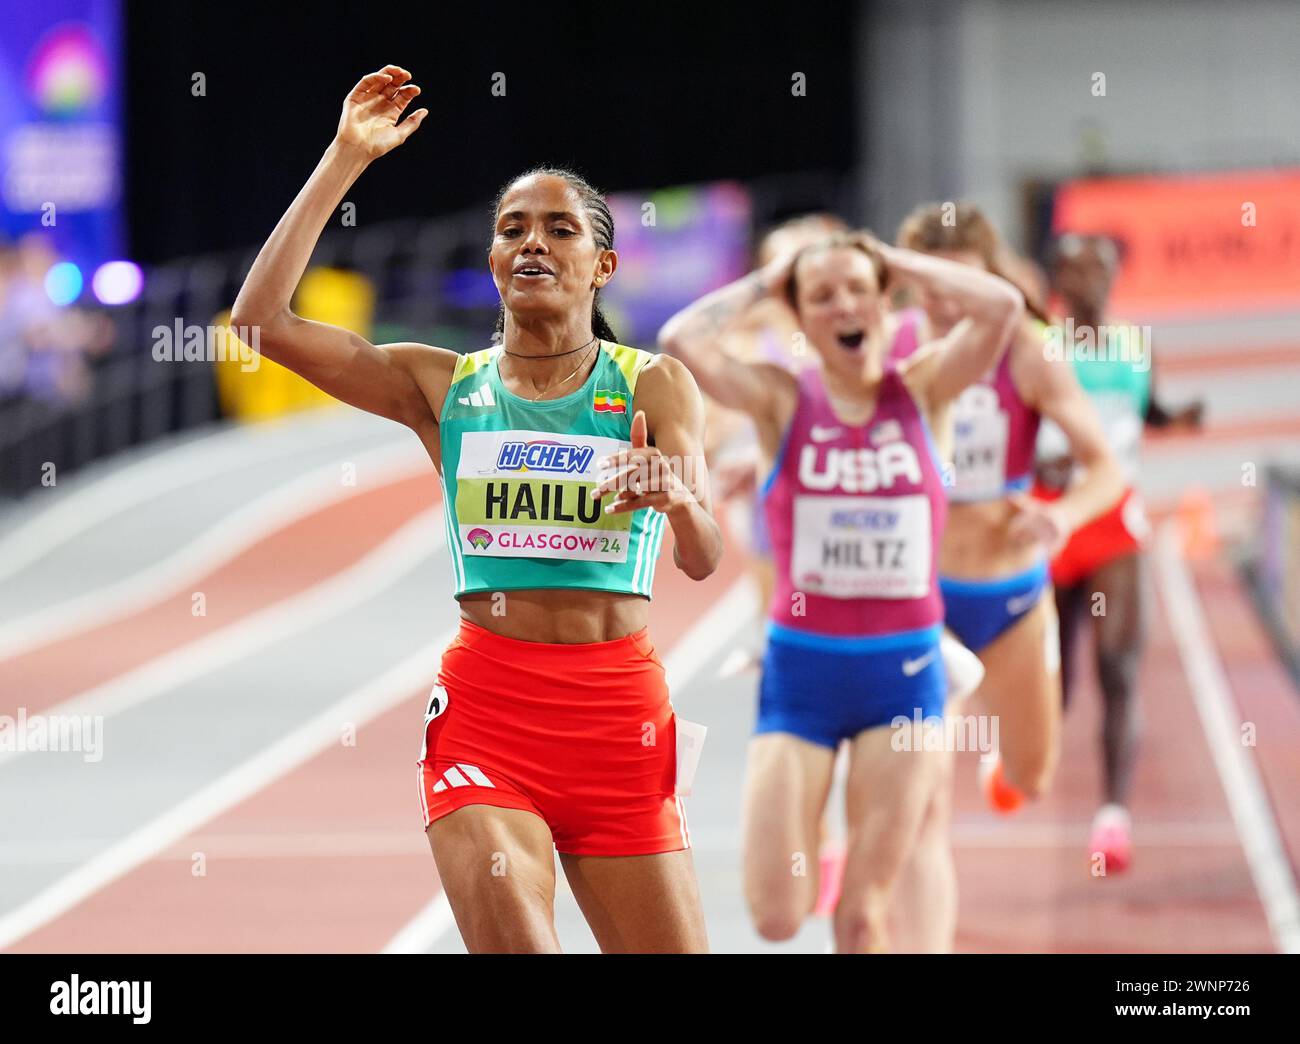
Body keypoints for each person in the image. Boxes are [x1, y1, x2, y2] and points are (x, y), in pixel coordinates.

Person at [231, 65, 723, 953]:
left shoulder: (654, 383)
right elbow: (259, 322)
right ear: (493, 261)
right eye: (512, 230)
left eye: (559, 229)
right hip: (490, 717)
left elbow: (705, 556)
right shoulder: (439, 384)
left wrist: (681, 501)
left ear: (602, 265)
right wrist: (344, 159)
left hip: (620, 717)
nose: (532, 243)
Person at [660, 228, 1023, 952]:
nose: (843, 305)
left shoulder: (926, 389)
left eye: (859, 290)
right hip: (803, 679)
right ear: (801, 321)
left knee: (862, 916)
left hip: (906, 679)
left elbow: (1002, 308)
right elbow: (680, 337)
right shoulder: (781, 401)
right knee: (776, 915)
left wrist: (893, 263)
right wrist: (775, 279)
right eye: (822, 297)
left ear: (884, 304)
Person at [1035, 233, 1204, 874]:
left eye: (1104, 268)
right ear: (1059, 279)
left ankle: (1112, 817)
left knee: (1118, 667)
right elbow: (1016, 427)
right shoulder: (1040, 344)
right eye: (1080, 268)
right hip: (1053, 518)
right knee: (1056, 679)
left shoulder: (1135, 343)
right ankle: (1023, 757)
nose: (1095, 278)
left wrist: (1176, 416)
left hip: (1114, 520)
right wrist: (1040, 459)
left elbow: (1148, 409)